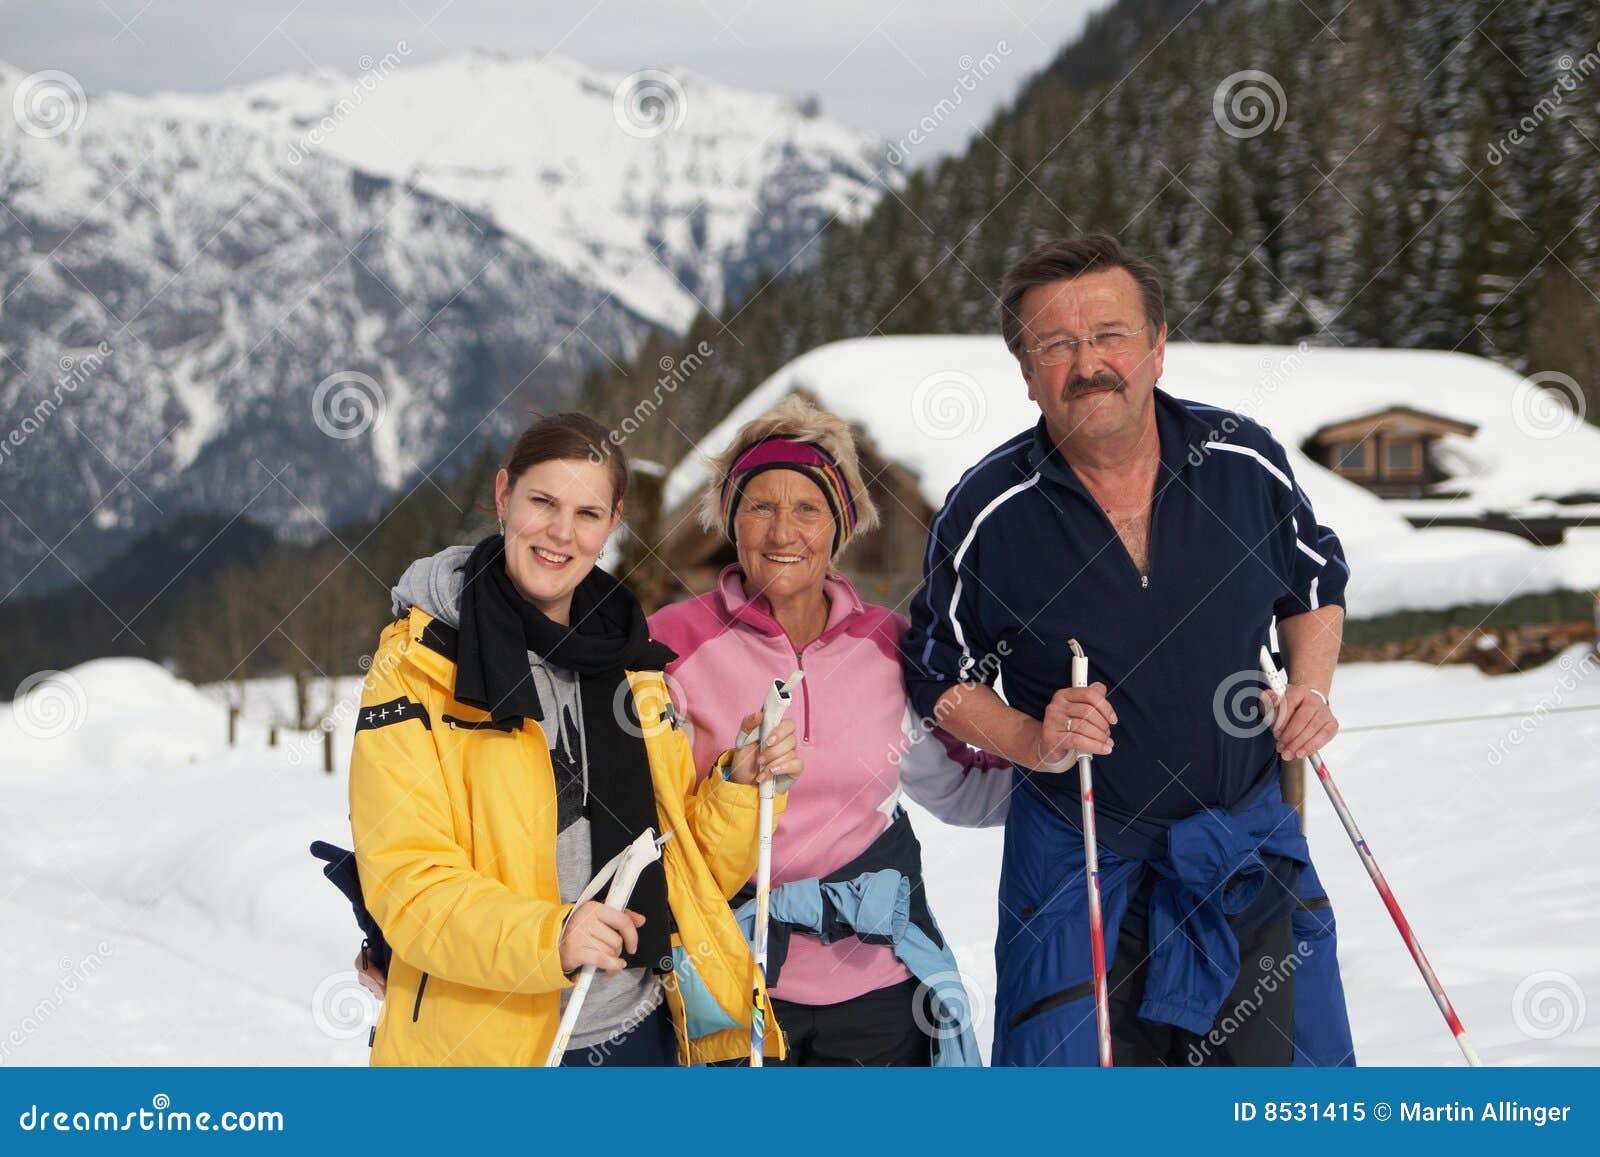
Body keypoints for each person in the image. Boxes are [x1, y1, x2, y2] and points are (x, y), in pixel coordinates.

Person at [901, 234, 1356, 1067]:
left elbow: (1315, 581)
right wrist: (1031, 738)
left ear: (1156, 345)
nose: (1088, 363)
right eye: (1056, 344)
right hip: (1079, 863)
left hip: (1243, 846)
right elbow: (938, 671)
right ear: (1026, 371)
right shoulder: (989, 514)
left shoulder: (1241, 463)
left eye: (1109, 334)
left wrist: (1311, 687)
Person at [346, 412, 801, 1066]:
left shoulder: (632, 662)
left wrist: (740, 787)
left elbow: (672, 866)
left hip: (642, 1034)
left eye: (587, 512)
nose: (562, 532)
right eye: (542, 502)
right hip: (487, 1051)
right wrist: (549, 936)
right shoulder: (417, 668)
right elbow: (409, 885)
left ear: (612, 522)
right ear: (503, 495)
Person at [649, 395, 1013, 1066]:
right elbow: (645, 816)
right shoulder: (670, 642)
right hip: (733, 979)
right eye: (760, 505)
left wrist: (1068, 772)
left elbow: (952, 781)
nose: (783, 530)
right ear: (732, 521)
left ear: (840, 526)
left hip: (878, 987)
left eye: (807, 508)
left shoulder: (886, 644)